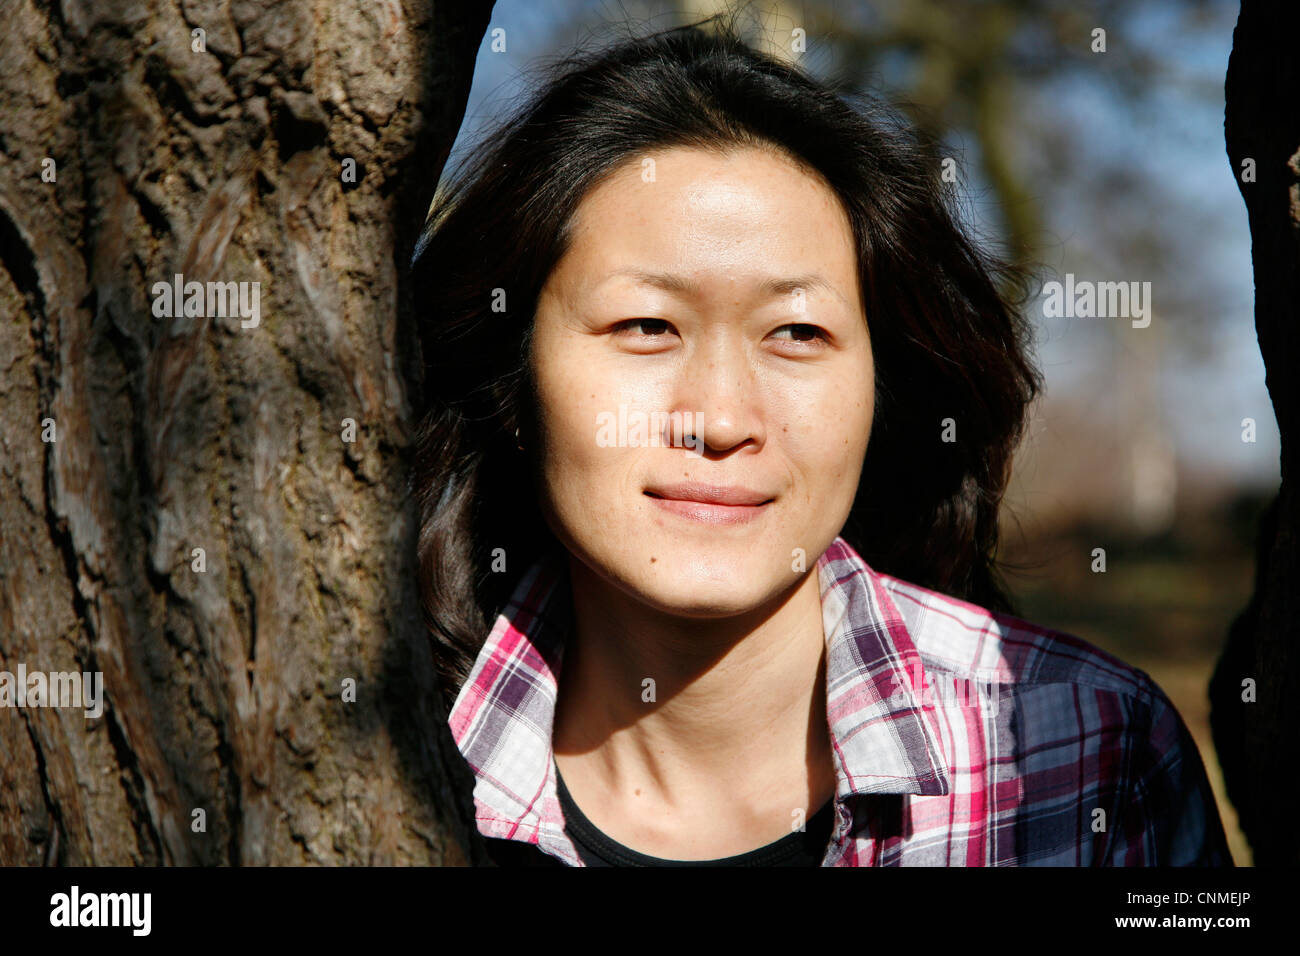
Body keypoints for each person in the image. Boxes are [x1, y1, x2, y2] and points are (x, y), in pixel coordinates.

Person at [408, 19, 1232, 867]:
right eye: (646, 325)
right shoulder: (369, 762)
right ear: (512, 382)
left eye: (797, 333)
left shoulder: (1095, 757)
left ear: (884, 388)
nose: (723, 421)